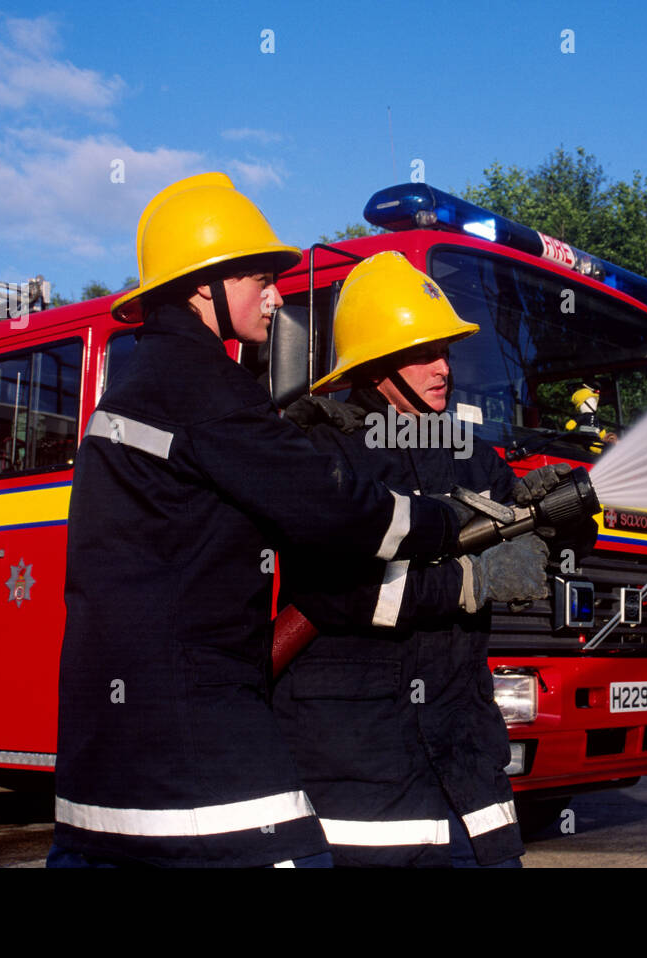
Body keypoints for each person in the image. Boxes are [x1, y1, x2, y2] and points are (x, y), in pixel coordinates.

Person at [51, 175, 465, 868]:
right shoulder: (202, 385)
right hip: (192, 739)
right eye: (258, 277)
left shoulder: (138, 384)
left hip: (106, 751)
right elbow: (329, 509)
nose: (276, 297)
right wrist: (446, 522)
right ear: (200, 287)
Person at [274, 251, 591, 867]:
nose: (443, 367)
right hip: (359, 764)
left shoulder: (469, 455)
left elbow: (550, 557)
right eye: (423, 353)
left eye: (445, 351)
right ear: (375, 364)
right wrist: (470, 582)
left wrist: (567, 521)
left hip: (465, 758)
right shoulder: (322, 450)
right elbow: (337, 590)